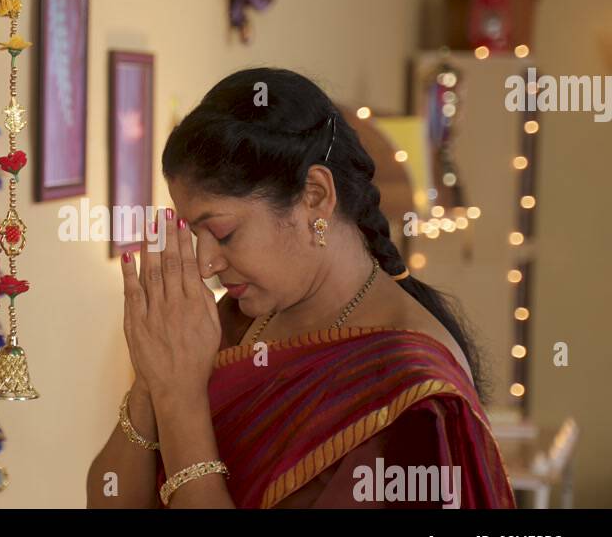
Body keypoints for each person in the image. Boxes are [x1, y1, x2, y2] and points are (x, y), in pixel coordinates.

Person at [86, 68, 515, 509]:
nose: (207, 263)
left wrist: (179, 401)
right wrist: (152, 381)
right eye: (196, 235)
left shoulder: (410, 395)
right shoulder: (238, 320)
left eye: (224, 233)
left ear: (314, 195)